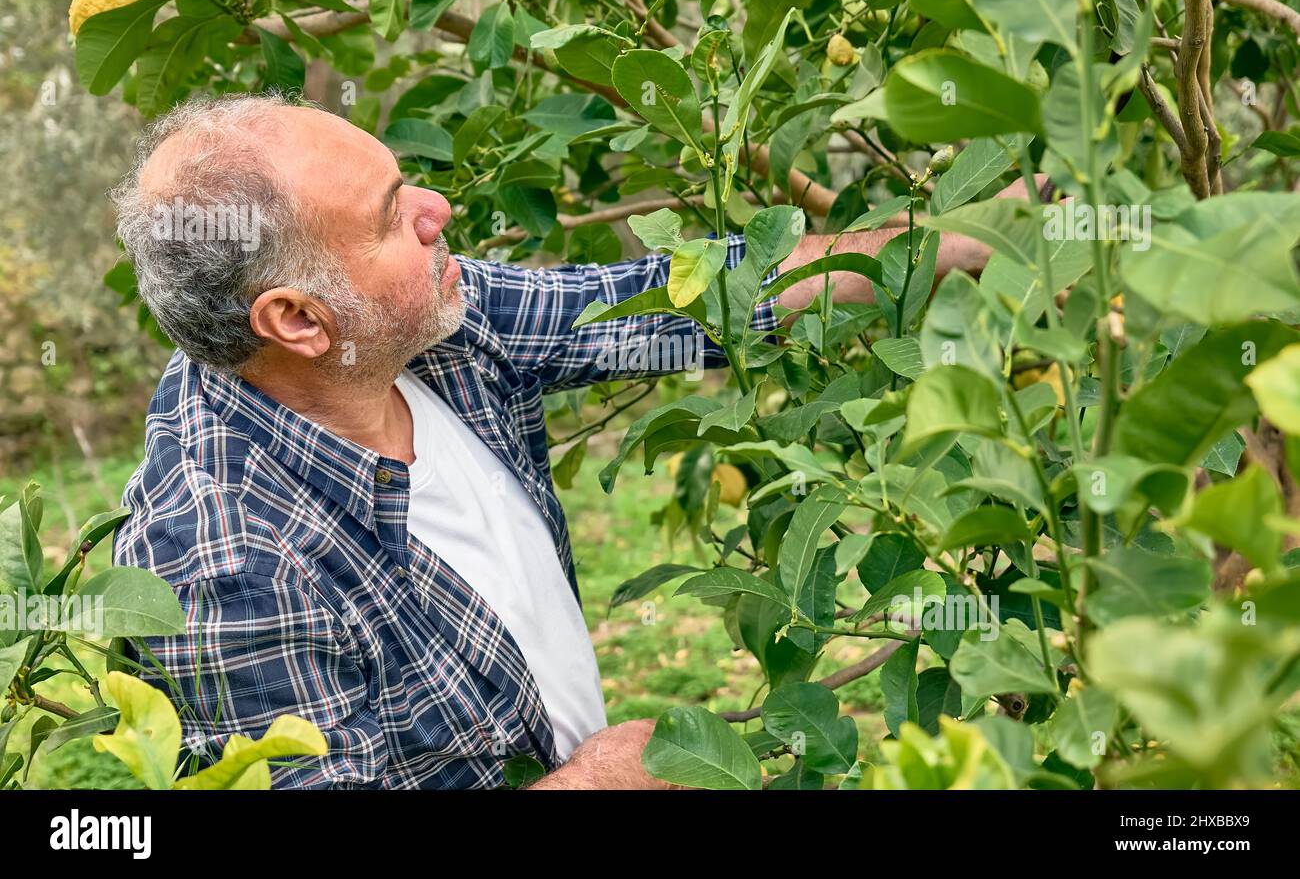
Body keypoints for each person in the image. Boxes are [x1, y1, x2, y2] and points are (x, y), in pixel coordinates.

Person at [109, 92, 994, 788]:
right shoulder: (223, 567)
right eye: (389, 217)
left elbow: (668, 302)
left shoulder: (424, 325)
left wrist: (953, 245)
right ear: (299, 319)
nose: (436, 207)